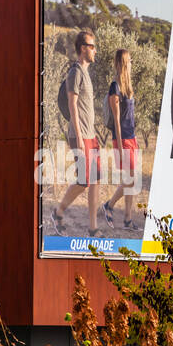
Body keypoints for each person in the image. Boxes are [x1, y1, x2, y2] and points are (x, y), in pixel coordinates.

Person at [52, 29, 101, 232]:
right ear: (83, 48)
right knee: (83, 182)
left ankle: (93, 228)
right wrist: (80, 136)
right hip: (80, 136)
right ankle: (58, 212)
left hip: (91, 136)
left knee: (96, 180)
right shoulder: (75, 72)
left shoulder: (86, 73)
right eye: (92, 46)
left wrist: (92, 133)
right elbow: (72, 104)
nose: (95, 50)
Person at [101, 48, 141, 229]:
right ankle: (109, 205)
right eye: (130, 60)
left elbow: (129, 116)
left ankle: (127, 219)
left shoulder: (128, 86)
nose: (132, 63)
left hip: (131, 137)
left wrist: (134, 139)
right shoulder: (115, 86)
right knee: (130, 179)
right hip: (122, 139)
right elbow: (116, 120)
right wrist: (120, 145)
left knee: (133, 179)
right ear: (124, 62)